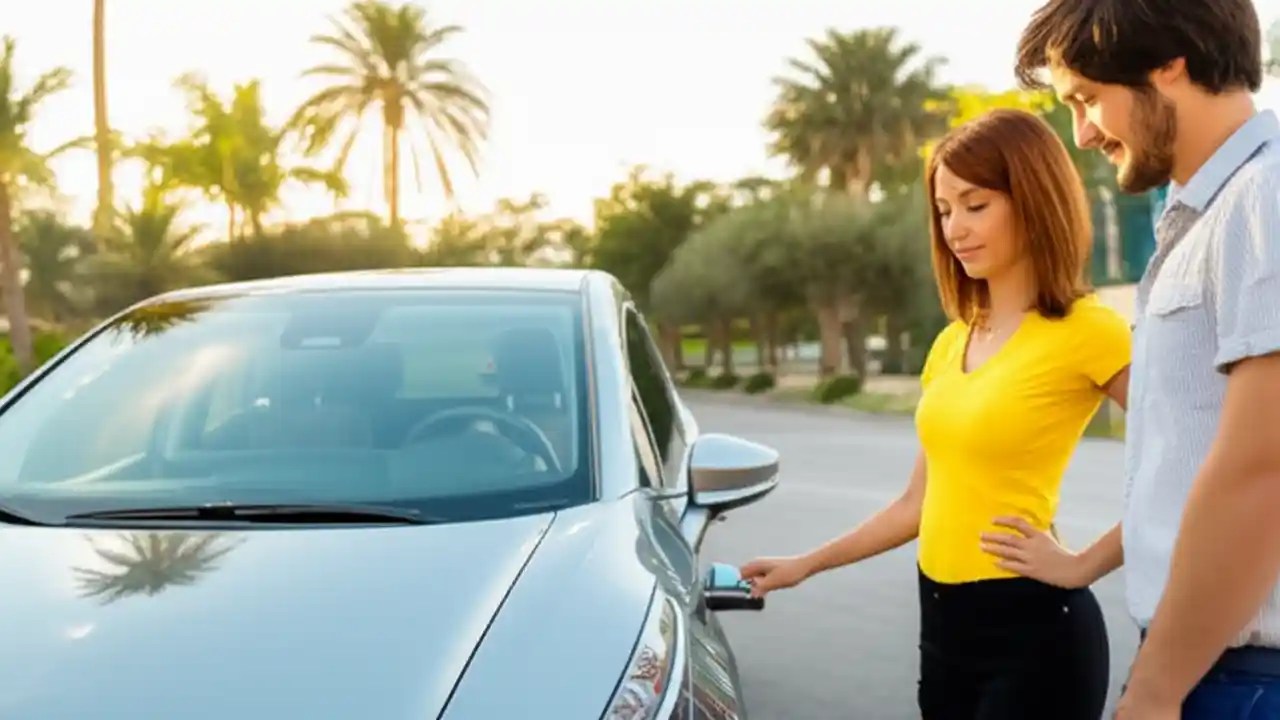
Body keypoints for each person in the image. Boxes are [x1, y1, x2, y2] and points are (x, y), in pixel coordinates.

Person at [739, 107, 1132, 719]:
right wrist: (804, 565)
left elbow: (1191, 460)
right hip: (944, 629)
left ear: (1033, 199)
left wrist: (1085, 565)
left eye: (976, 205)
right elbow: (916, 506)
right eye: (945, 210)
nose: (955, 228)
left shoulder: (1090, 330)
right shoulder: (953, 342)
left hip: (1035, 632)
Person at [1014, 0, 1280, 717]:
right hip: (1208, 662)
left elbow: (1264, 470)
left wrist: (1156, 692)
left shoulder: (1265, 198)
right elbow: (1182, 469)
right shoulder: (1208, 213)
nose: (1082, 131)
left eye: (1089, 99)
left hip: (1247, 678)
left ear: (1170, 62)